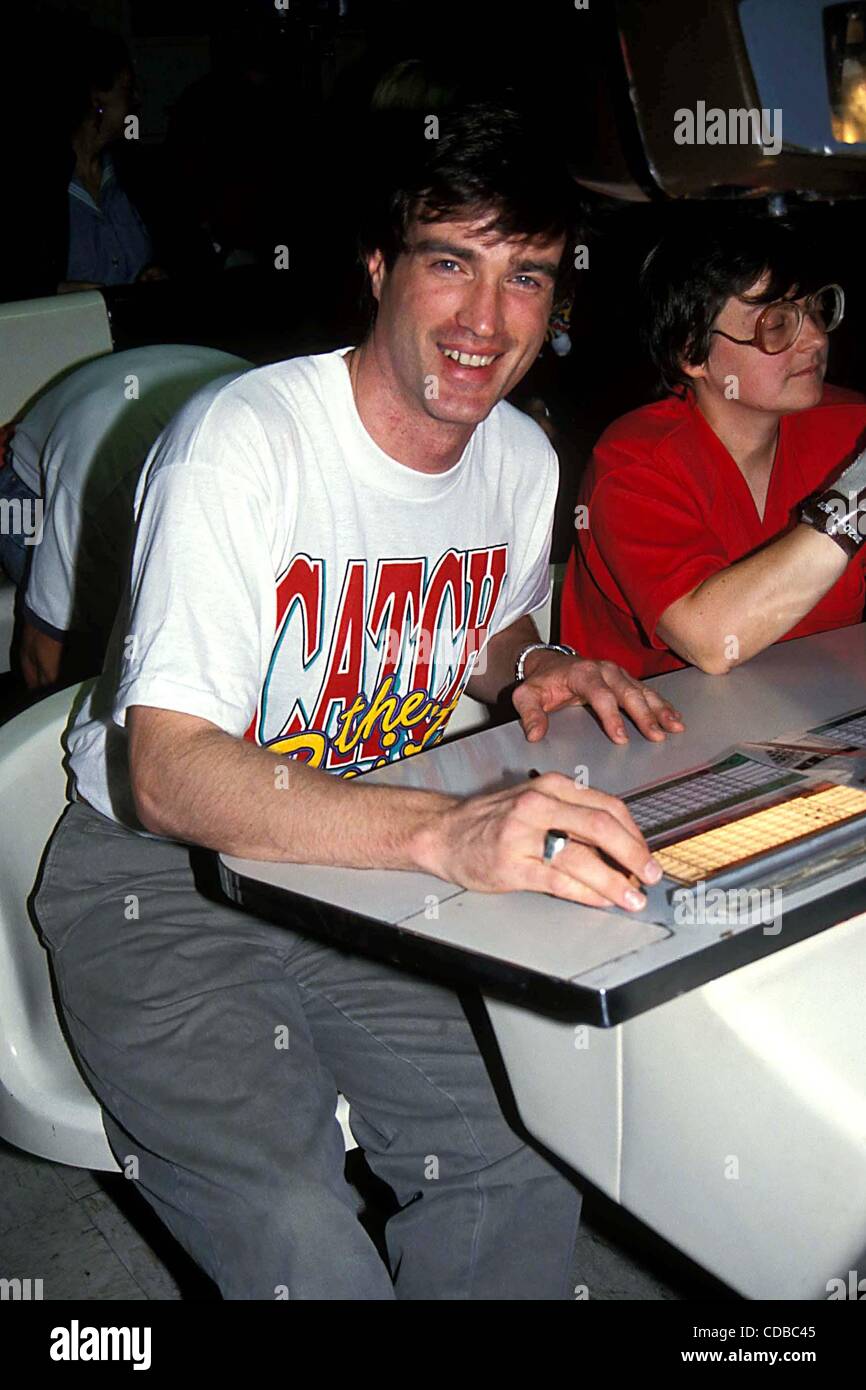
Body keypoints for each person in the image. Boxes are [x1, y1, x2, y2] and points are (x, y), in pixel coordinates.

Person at [34, 104, 683, 1301]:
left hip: (353, 864)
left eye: (524, 276)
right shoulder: (245, 444)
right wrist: (442, 831)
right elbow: (167, 771)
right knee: (292, 1225)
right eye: (450, 263)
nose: (486, 320)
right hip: (151, 873)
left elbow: (485, 619)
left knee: (519, 1170)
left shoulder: (519, 460)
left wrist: (529, 668)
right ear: (379, 270)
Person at [561, 219, 866, 678]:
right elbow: (710, 640)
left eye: (817, 310)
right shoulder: (633, 463)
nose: (817, 339)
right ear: (693, 353)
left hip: (820, 717)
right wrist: (857, 495)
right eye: (777, 323)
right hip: (647, 732)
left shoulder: (849, 427)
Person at [0, 346, 250, 691]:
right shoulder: (95, 481)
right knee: (117, 649)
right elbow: (42, 656)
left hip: (126, 404)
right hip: (29, 487)